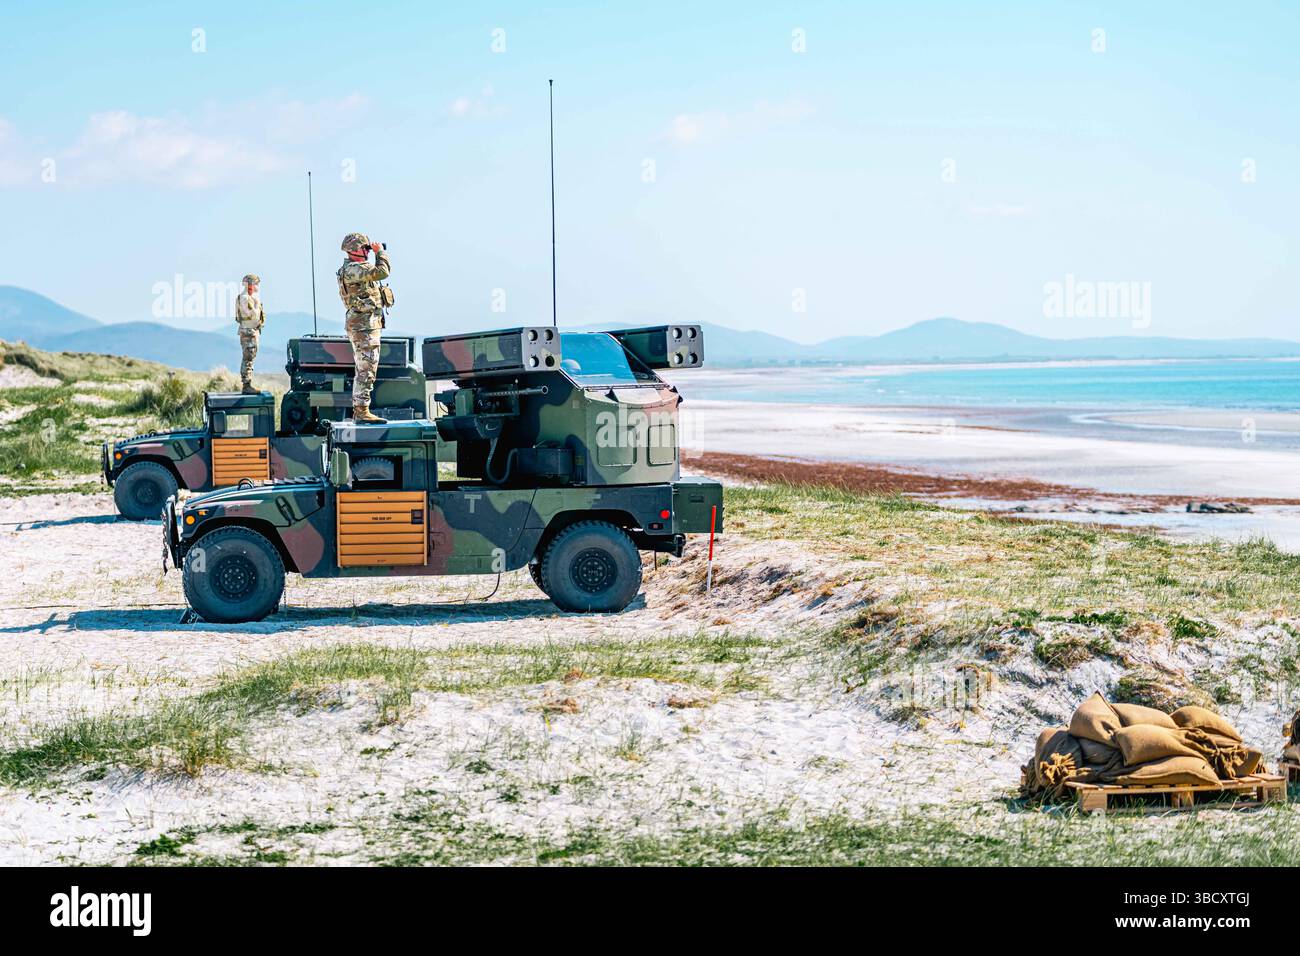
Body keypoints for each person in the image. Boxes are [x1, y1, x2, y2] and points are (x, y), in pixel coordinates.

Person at [336, 232, 391, 423]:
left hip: (365, 324)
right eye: (364, 248)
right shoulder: (354, 269)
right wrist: (380, 253)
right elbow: (382, 272)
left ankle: (361, 409)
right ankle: (361, 410)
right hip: (363, 326)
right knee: (366, 369)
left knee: (366, 368)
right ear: (354, 250)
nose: (367, 250)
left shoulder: (355, 269)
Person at [234, 273, 265, 394]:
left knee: (249, 358)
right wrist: (257, 304)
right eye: (256, 283)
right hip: (249, 332)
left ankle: (247, 384)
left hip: (249, 331)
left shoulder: (244, 297)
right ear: (251, 284)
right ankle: (246, 386)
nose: (258, 286)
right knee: (248, 358)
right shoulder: (246, 298)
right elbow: (254, 316)